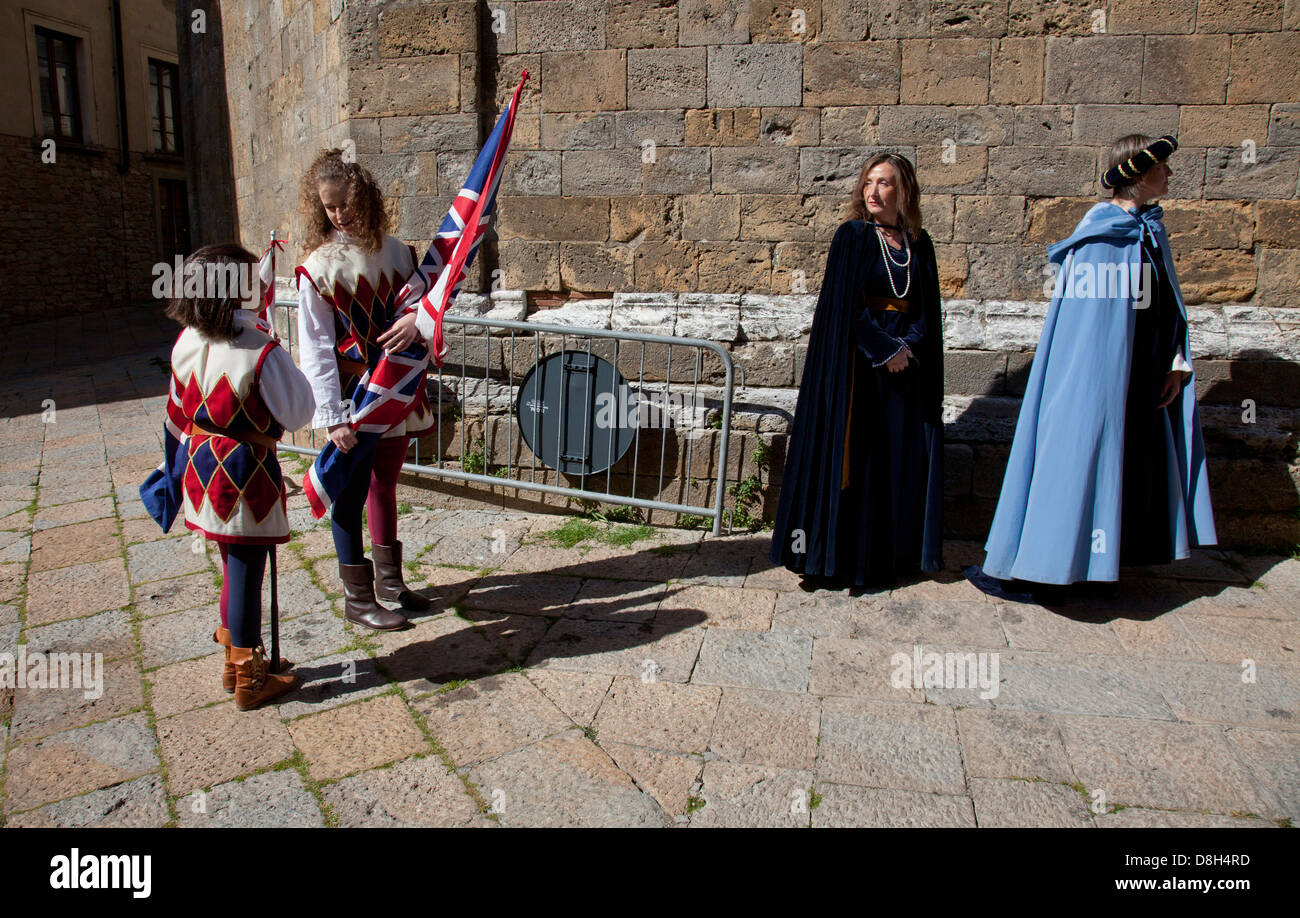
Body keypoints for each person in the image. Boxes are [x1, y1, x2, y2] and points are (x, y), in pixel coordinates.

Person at [967, 134, 1216, 599]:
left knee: (1132, 467)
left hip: (1144, 377)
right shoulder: (1100, 235)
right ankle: (1054, 567)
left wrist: (1175, 363)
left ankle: (1106, 565)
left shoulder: (1150, 230)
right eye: (1162, 167)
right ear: (1139, 174)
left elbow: (1166, 306)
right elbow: (1085, 331)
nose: (1170, 175)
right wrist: (1095, 383)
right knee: (1080, 462)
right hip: (1096, 382)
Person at [769, 152, 945, 591]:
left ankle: (886, 557)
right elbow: (843, 307)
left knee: (892, 462)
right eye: (868, 182)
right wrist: (884, 349)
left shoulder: (919, 244)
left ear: (904, 190)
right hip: (858, 372)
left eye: (884, 183)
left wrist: (906, 347)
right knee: (858, 461)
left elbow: (928, 311)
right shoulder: (852, 237)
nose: (873, 191)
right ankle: (842, 560)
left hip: (905, 369)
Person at [161, 244, 315, 710]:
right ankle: (251, 679)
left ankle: (233, 662)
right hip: (246, 468)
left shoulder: (186, 341)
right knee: (248, 570)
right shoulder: (259, 350)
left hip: (201, 463)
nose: (261, 286)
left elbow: (175, 409)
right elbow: (300, 409)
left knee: (233, 564)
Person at [295, 150, 432, 630]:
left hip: (391, 393)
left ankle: (391, 583)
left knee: (386, 485)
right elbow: (313, 347)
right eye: (329, 207)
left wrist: (418, 320)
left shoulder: (398, 252)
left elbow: (427, 306)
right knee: (348, 491)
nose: (339, 214)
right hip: (354, 400)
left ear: (367, 197)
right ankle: (358, 600)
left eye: (346, 204)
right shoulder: (318, 266)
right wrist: (331, 415)